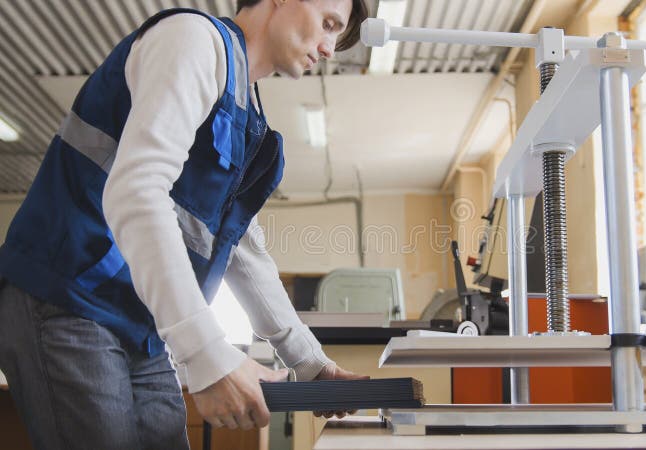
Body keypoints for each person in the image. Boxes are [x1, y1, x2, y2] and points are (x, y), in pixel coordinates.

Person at [0, 0, 369, 448]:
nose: (330, 48)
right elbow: (136, 191)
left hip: (140, 323)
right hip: (69, 297)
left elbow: (240, 251)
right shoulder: (193, 42)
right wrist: (205, 351)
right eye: (329, 24)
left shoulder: (245, 111)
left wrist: (311, 363)